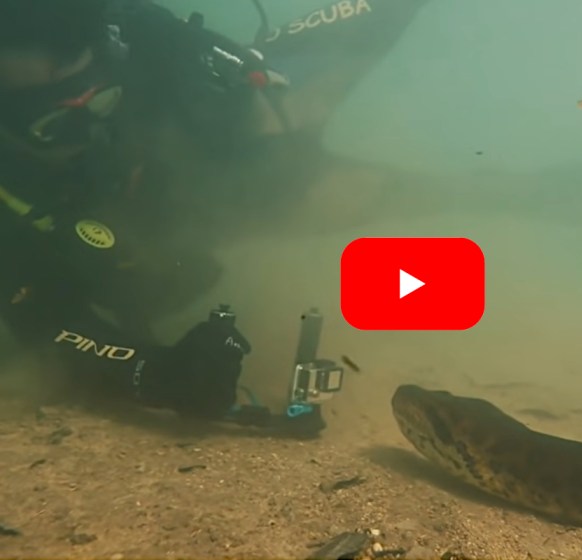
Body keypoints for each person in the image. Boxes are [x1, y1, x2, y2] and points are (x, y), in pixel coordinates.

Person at [0, 0, 427, 433]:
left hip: (215, 183)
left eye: (101, 100)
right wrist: (152, 370)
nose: (90, 130)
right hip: (127, 244)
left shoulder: (151, 48)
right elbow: (42, 317)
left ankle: (491, 190)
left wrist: (255, 106)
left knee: (356, 165)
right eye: (56, 124)